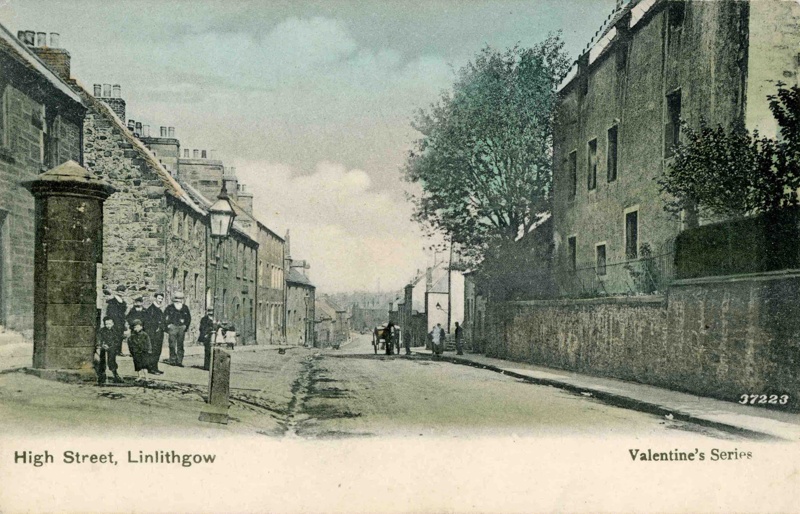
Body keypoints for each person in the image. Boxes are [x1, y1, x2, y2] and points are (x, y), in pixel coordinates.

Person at [164, 292, 191, 367]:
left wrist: (185, 326)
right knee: (172, 344)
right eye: (176, 299)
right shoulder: (170, 307)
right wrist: (168, 325)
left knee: (180, 345)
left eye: (180, 299)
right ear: (174, 299)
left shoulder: (185, 308)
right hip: (173, 327)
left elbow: (188, 318)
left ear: (182, 300)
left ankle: (179, 361)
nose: (178, 301)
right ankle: (172, 360)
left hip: (181, 327)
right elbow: (164, 316)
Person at [143, 293, 165, 375]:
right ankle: (151, 368)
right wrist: (155, 328)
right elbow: (148, 322)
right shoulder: (151, 309)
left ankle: (155, 367)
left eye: (161, 299)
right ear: (155, 298)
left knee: (157, 351)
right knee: (152, 350)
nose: (160, 300)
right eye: (159, 298)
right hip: (152, 334)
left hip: (159, 334)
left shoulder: (159, 309)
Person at [95, 316, 122, 384]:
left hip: (112, 348)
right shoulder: (102, 330)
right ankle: (102, 376)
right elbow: (99, 339)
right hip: (103, 348)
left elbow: (117, 340)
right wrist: (102, 344)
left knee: (112, 361)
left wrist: (110, 346)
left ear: (112, 323)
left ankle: (115, 375)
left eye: (109, 324)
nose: (108, 325)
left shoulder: (115, 331)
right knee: (102, 362)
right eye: (106, 324)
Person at [105, 285, 128, 356]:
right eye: (120, 291)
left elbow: (123, 313)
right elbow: (110, 314)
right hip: (114, 322)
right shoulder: (112, 302)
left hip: (121, 322)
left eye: (123, 292)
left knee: (120, 336)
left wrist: (123, 322)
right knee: (113, 336)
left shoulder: (123, 302)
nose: (122, 293)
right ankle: (113, 351)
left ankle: (118, 351)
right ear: (117, 292)